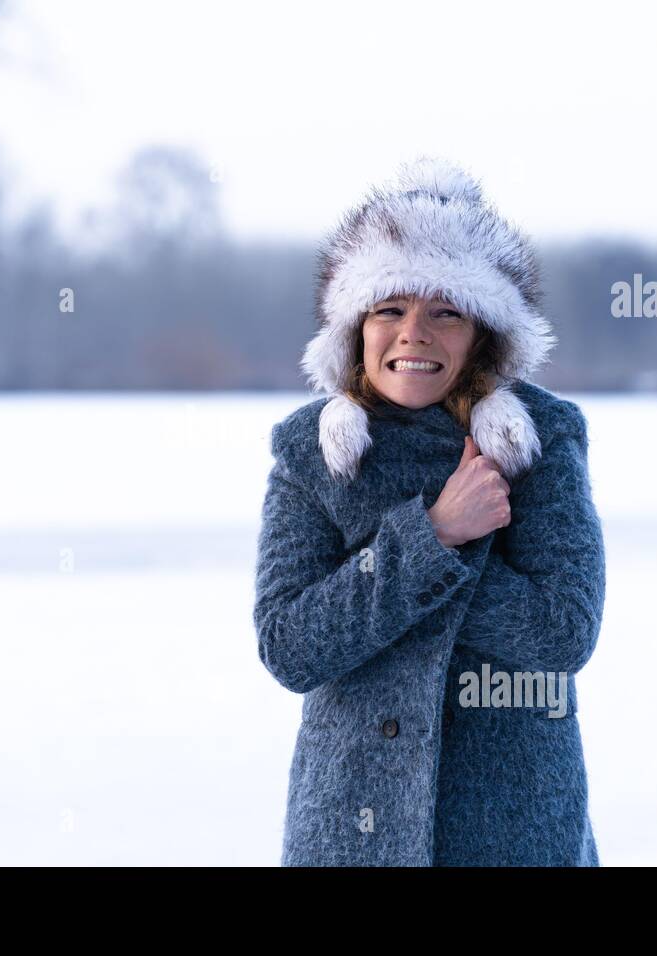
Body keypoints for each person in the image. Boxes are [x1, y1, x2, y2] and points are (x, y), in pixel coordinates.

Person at [254, 157, 605, 866]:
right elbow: (290, 645)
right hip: (349, 831)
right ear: (355, 327)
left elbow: (562, 634)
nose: (414, 333)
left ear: (484, 333)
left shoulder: (539, 438)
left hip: (514, 832)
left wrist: (381, 572)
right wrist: (435, 536)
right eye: (389, 309)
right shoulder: (309, 450)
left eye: (445, 311)